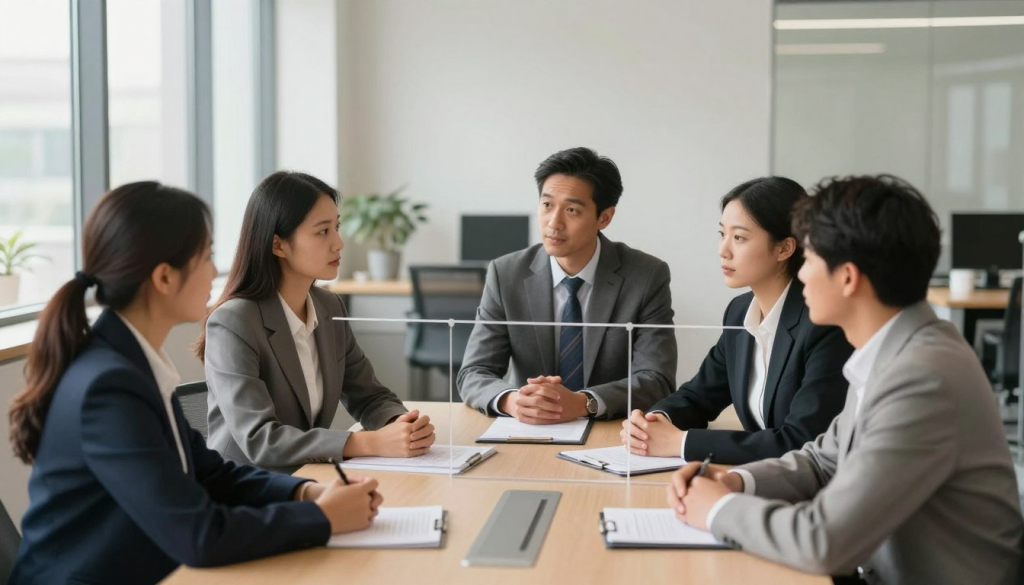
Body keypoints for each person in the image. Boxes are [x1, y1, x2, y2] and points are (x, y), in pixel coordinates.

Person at [8, 182, 381, 585]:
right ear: (165, 278)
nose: (213, 271)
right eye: (206, 256)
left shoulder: (132, 364)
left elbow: (213, 473)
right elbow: (199, 535)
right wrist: (321, 518)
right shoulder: (109, 387)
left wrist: (306, 493)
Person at [667, 175, 1023, 585]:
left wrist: (718, 509)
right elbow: (824, 459)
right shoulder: (891, 349)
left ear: (848, 278)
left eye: (811, 259)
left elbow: (825, 541)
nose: (801, 276)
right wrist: (737, 480)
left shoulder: (922, 376)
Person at [196, 171, 433, 473]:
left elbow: (370, 395)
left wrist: (400, 425)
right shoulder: (233, 322)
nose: (339, 243)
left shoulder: (328, 306)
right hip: (246, 488)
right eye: (322, 232)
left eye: (337, 227)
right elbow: (260, 440)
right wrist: (370, 443)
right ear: (278, 245)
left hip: (309, 475)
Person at [621, 177, 852, 464]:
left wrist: (681, 442)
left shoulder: (823, 322)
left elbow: (802, 440)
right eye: (722, 234)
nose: (723, 250)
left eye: (739, 238)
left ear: (783, 249)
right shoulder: (740, 311)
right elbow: (699, 396)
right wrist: (654, 422)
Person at [458, 146, 677, 422]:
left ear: (604, 217)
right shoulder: (506, 274)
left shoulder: (646, 276)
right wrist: (512, 401)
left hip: (611, 431)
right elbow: (474, 372)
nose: (554, 223)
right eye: (547, 205)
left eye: (572, 210)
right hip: (529, 428)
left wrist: (583, 403)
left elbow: (657, 379)